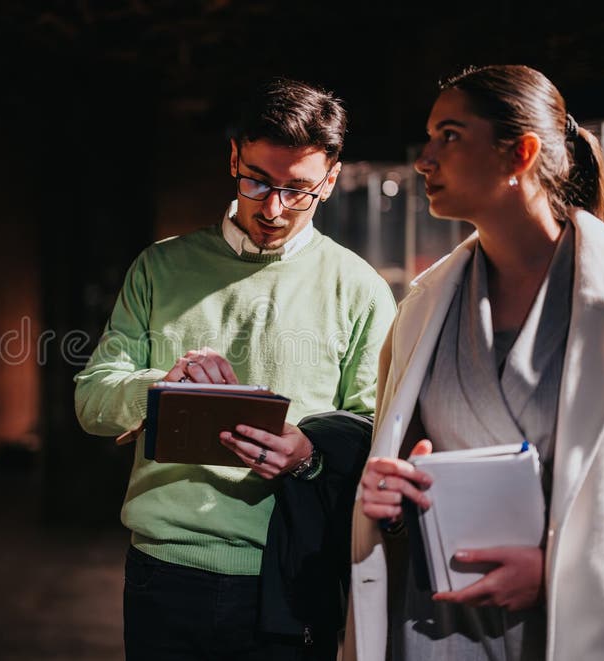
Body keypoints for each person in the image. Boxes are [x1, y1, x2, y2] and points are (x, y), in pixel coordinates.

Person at [343, 64, 604, 661]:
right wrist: (386, 501)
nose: (424, 158)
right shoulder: (424, 307)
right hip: (440, 626)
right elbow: (404, 466)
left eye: (449, 135)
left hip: (583, 623)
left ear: (518, 154)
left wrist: (558, 573)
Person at [74, 77, 396, 660]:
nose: (272, 209)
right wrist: (160, 385)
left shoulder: (361, 290)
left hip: (290, 568)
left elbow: (378, 428)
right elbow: (92, 398)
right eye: (256, 181)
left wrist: (311, 453)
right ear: (232, 157)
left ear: (330, 178)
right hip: (163, 570)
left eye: (297, 190)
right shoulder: (160, 267)